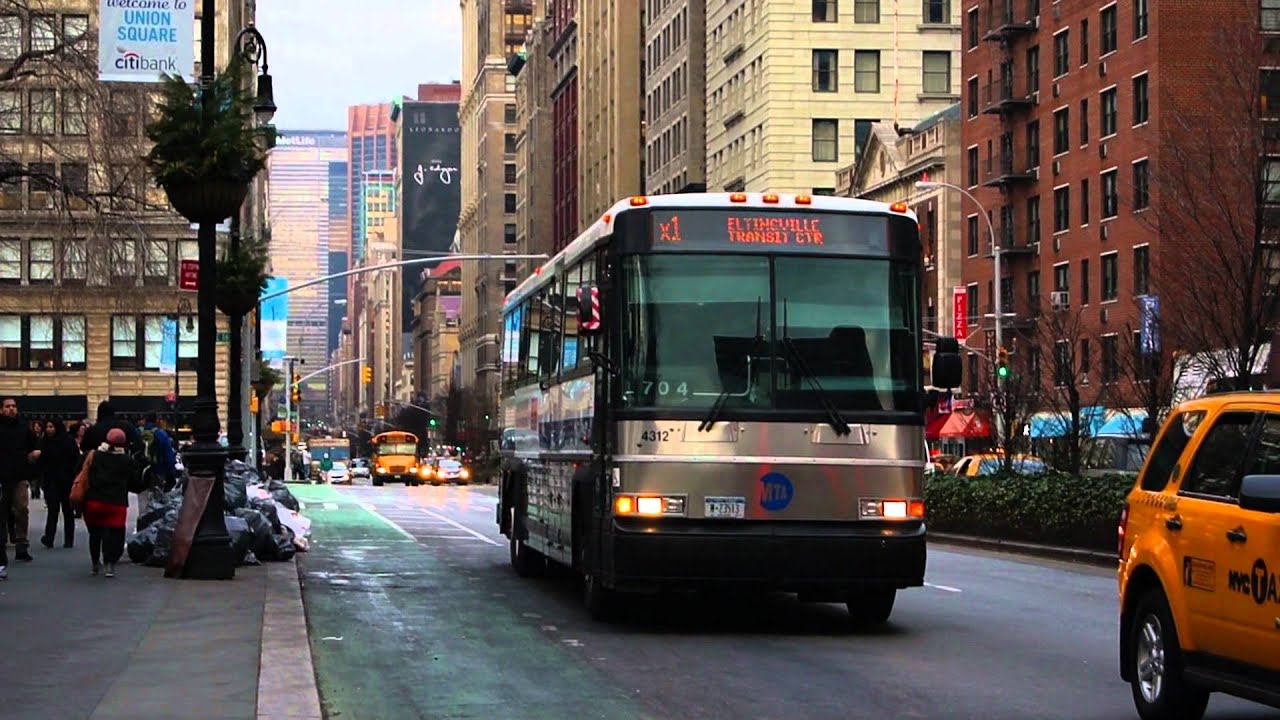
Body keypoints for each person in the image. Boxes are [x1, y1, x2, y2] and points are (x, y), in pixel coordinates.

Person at [78, 428, 138, 577]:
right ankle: (109, 563)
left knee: (95, 533)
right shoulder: (126, 460)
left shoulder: (93, 455)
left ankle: (94, 562)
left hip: (94, 501)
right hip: (116, 503)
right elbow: (133, 480)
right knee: (114, 533)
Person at [0, 396, 39, 579]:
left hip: (19, 475)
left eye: (14, 406)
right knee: (2, 513)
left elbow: (35, 446)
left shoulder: (23, 427)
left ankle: (21, 545)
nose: (11, 409)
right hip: (2, 477)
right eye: (8, 406)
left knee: (21, 509)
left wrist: (33, 456)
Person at [38, 419, 78, 549]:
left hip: (66, 480)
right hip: (51, 480)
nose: (49, 429)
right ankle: (49, 538)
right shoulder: (44, 442)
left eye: (51, 427)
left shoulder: (67, 441)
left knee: (67, 511)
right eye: (47, 427)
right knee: (53, 510)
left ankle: (69, 539)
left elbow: (75, 459)